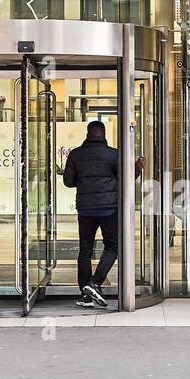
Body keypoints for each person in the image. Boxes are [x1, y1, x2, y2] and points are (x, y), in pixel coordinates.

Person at [62, 120, 142, 308]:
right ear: (103, 134)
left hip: (85, 209)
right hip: (109, 209)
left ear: (87, 134)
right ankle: (95, 283)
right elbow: (127, 179)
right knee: (113, 246)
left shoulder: (76, 154)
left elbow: (68, 182)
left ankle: (86, 295)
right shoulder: (114, 154)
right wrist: (137, 167)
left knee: (85, 250)